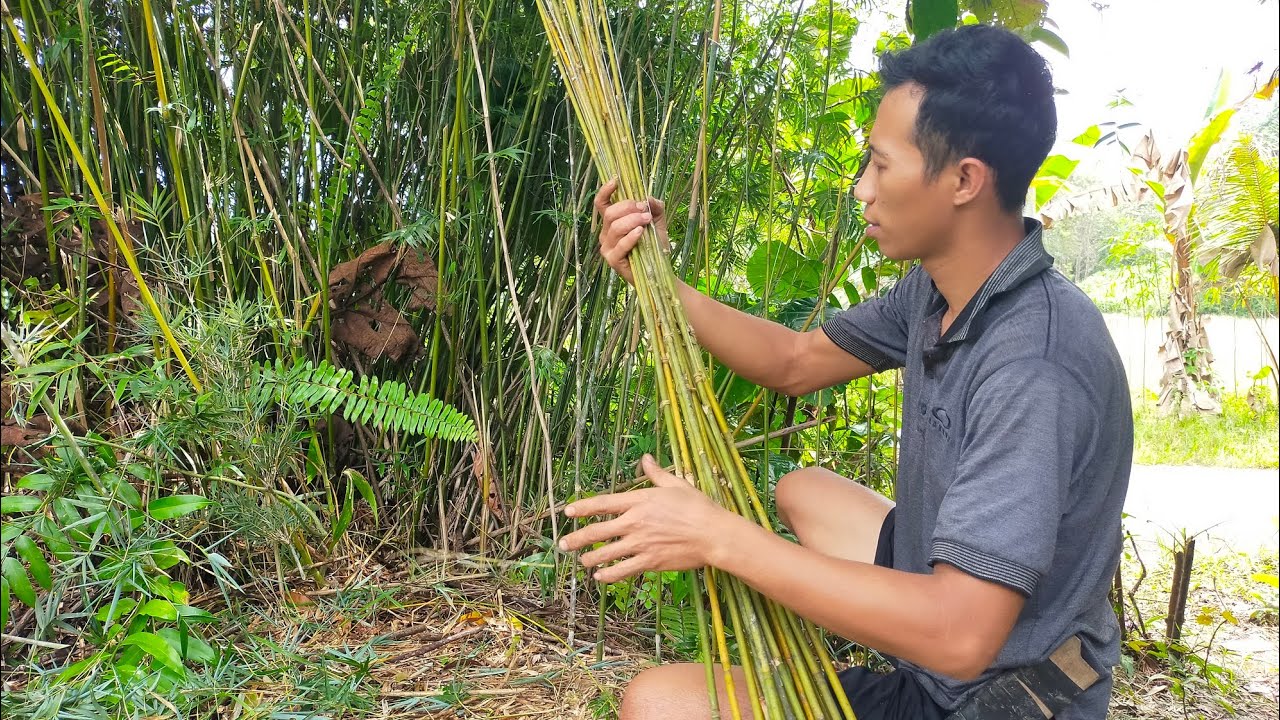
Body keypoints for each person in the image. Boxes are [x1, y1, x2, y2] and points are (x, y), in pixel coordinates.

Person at [559, 24, 1132, 720]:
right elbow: (794, 363)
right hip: (969, 635)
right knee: (806, 491)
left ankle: (901, 637)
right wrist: (657, 279)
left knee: (658, 704)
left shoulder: (1035, 362)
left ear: (963, 180)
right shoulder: (941, 289)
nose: (860, 188)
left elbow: (959, 637)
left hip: (996, 696)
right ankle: (900, 621)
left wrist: (716, 537)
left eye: (880, 165)